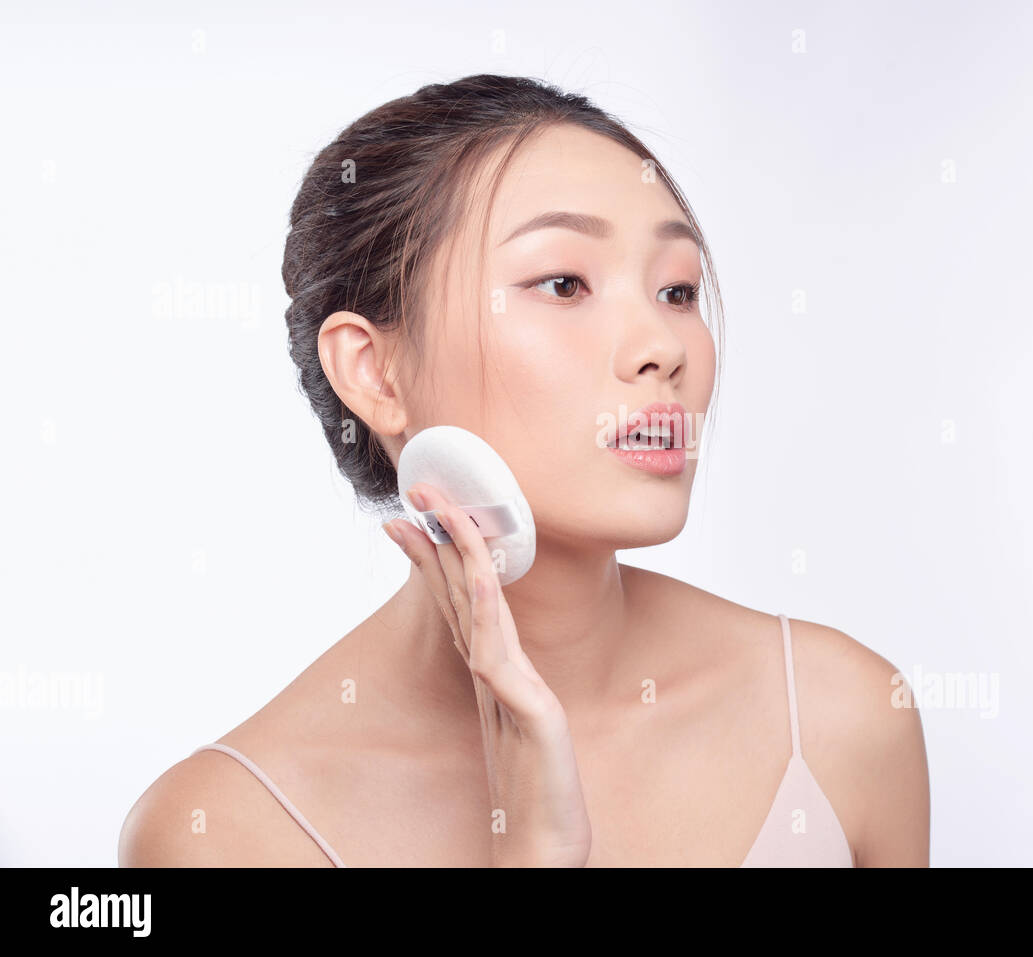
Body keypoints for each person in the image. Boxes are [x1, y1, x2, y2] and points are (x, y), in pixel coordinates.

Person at [118, 74, 929, 867]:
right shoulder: (221, 832)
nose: (663, 347)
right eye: (564, 282)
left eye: (677, 289)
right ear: (373, 371)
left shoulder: (840, 716)